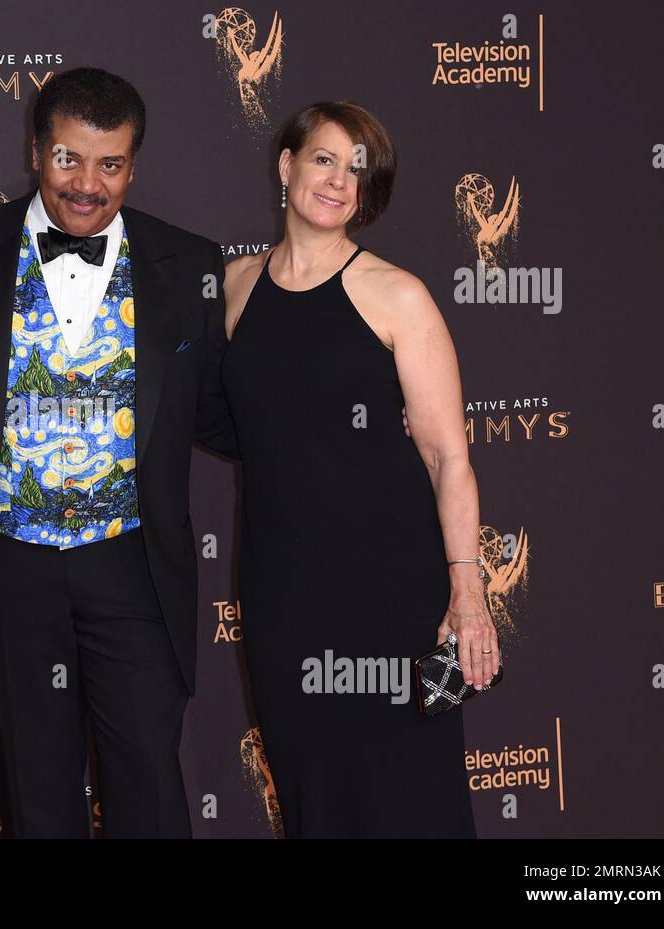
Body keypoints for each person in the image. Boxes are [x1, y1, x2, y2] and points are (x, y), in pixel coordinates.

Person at [0, 67, 235, 837]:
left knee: (149, 784)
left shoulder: (189, 264)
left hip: (134, 565)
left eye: (109, 164)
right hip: (8, 566)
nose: (87, 185)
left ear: (133, 166)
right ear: (35, 152)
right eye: (68, 159)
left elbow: (219, 414)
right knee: (36, 793)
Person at [220, 101, 498, 837]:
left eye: (357, 169)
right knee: (311, 793)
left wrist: (467, 590)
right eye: (324, 159)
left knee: (411, 795)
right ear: (287, 165)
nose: (339, 181)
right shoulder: (235, 287)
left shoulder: (398, 295)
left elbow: (447, 456)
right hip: (282, 595)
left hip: (391, 593)